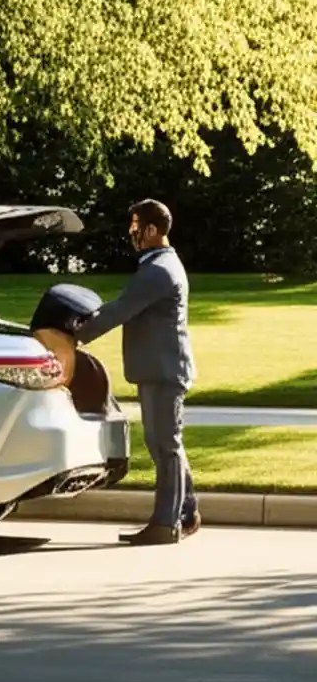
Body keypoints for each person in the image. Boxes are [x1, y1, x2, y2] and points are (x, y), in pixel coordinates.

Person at [72, 199, 199, 546]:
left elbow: (121, 310)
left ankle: (165, 524)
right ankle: (186, 513)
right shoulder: (159, 265)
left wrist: (75, 333)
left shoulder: (159, 270)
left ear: (152, 230)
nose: (132, 233)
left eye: (135, 226)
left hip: (164, 370)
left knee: (165, 445)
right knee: (165, 444)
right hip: (159, 368)